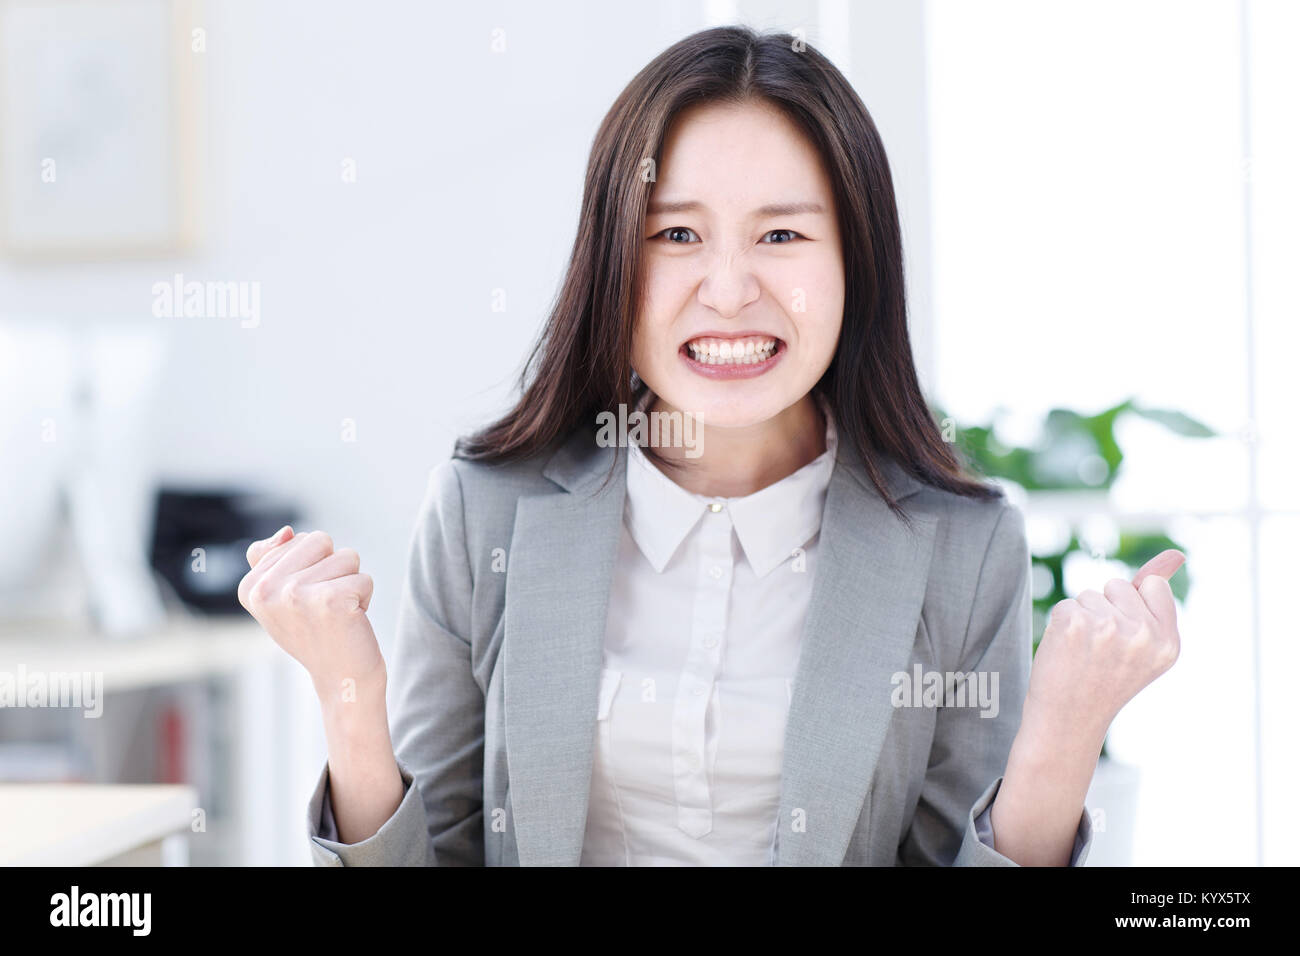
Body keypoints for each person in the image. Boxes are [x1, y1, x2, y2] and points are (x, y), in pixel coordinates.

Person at [238, 25, 1185, 866]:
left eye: (780, 234)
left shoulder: (963, 546)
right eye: (678, 233)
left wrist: (1063, 735)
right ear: (616, 260)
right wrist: (350, 691)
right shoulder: (487, 506)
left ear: (857, 259)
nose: (729, 290)